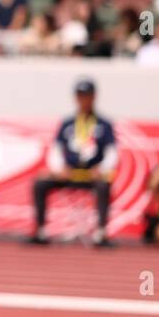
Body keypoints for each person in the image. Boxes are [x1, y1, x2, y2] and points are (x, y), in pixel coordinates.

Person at [31, 78, 117, 246]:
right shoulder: (68, 123)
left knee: (104, 186)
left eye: (87, 96)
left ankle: (101, 233)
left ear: (94, 97)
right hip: (69, 173)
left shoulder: (104, 124)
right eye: (80, 96)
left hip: (92, 175)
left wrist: (102, 168)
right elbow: (56, 149)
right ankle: (40, 231)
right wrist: (59, 169)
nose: (83, 100)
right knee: (40, 183)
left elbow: (112, 152)